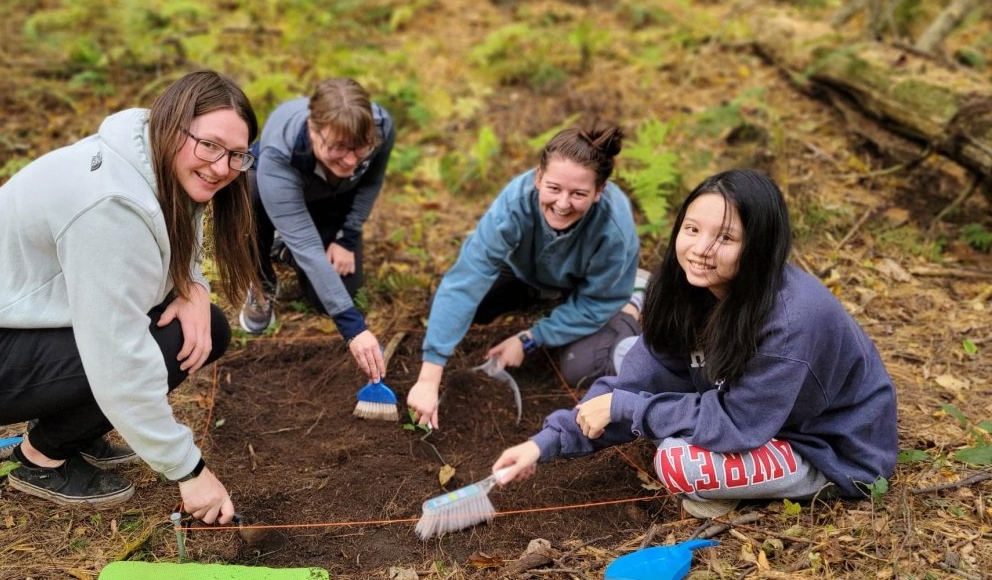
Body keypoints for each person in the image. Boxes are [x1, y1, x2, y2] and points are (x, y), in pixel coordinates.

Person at [0, 70, 258, 524]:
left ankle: (71, 429)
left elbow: (171, 247)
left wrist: (192, 285)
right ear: (173, 126)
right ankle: (41, 458)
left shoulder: (154, 162)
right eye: (209, 145)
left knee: (203, 326)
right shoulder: (109, 203)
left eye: (236, 155)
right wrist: (189, 470)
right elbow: (118, 358)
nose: (221, 167)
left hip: (20, 331)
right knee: (162, 345)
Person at [491, 169, 898, 518]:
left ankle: (791, 483)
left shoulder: (790, 321)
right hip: (755, 414)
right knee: (630, 373)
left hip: (827, 444)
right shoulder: (691, 291)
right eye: (692, 229)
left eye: (725, 238)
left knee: (677, 460)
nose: (701, 250)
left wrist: (631, 408)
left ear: (759, 246)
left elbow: (737, 425)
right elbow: (634, 384)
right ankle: (735, 475)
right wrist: (542, 445)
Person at [407, 123, 643, 428]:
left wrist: (530, 338)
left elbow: (596, 303)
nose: (562, 204)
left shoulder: (614, 229)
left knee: (579, 367)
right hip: (526, 272)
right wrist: (429, 376)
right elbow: (467, 279)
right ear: (537, 177)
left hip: (583, 286)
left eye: (579, 193)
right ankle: (540, 295)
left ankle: (637, 292)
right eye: (554, 188)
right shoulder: (515, 203)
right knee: (447, 306)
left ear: (599, 192)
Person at [239, 78, 395, 382]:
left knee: (327, 300)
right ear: (313, 130)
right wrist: (354, 329)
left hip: (332, 198)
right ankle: (262, 279)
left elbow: (371, 182)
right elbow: (309, 248)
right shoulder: (278, 154)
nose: (351, 161)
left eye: (359, 149)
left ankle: (286, 249)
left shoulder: (380, 128)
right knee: (249, 190)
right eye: (337, 147)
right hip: (276, 193)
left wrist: (346, 238)